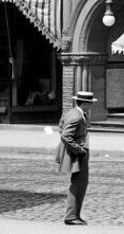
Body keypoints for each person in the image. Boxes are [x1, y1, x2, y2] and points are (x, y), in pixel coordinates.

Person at [55, 89, 94, 226]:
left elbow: (61, 125)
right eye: (89, 103)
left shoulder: (73, 113)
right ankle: (71, 216)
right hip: (79, 153)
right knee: (79, 183)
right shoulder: (76, 116)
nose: (91, 106)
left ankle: (75, 214)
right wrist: (79, 149)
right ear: (84, 103)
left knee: (80, 183)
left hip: (78, 151)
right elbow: (66, 135)